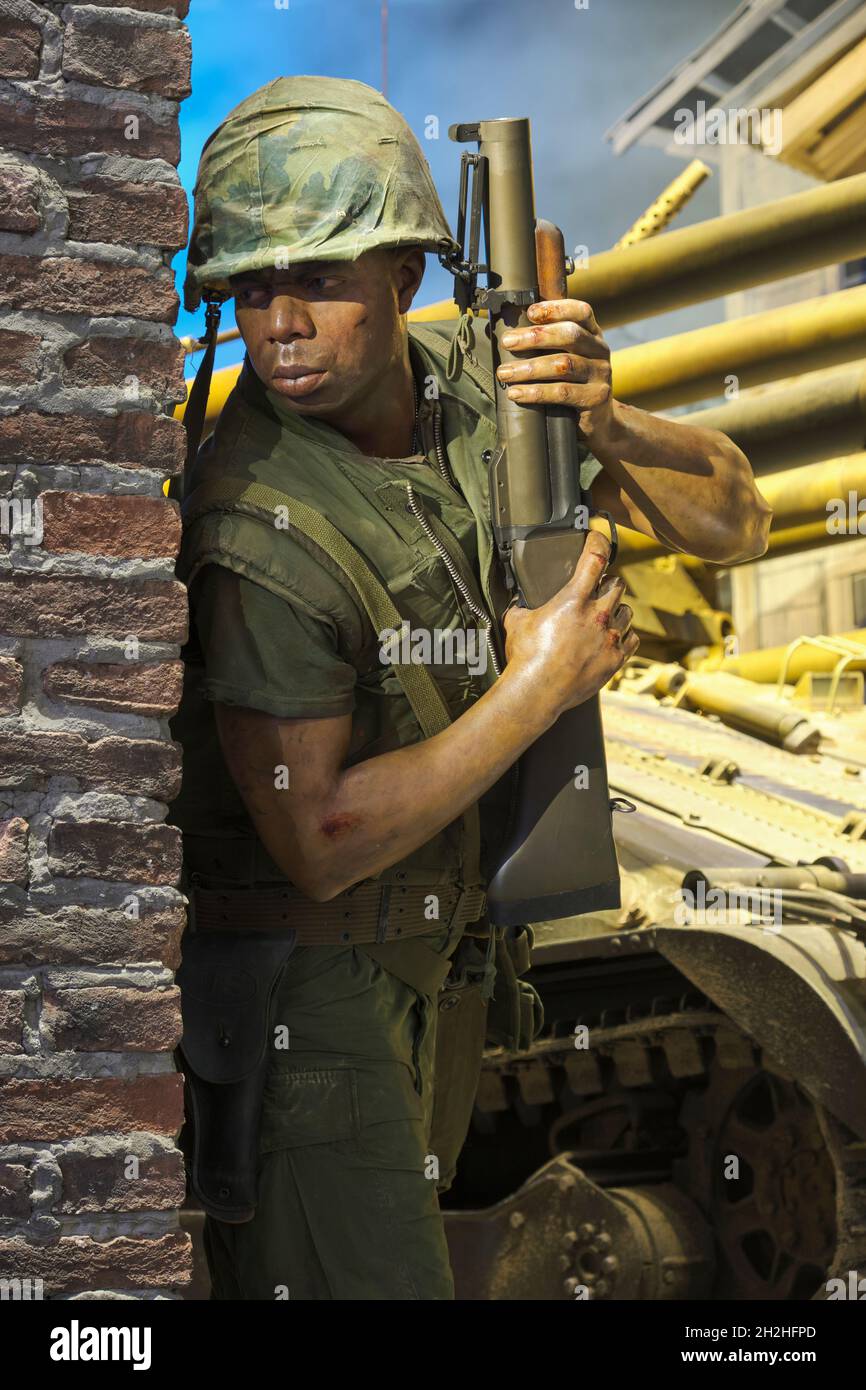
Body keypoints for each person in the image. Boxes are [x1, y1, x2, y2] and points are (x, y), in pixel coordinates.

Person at [170, 75, 771, 1301]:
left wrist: (611, 426)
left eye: (320, 279)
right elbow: (318, 835)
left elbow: (736, 519)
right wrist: (535, 686)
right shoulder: (254, 520)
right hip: (311, 1006)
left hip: (438, 980)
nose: (279, 321)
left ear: (407, 277)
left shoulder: (484, 380)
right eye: (250, 286)